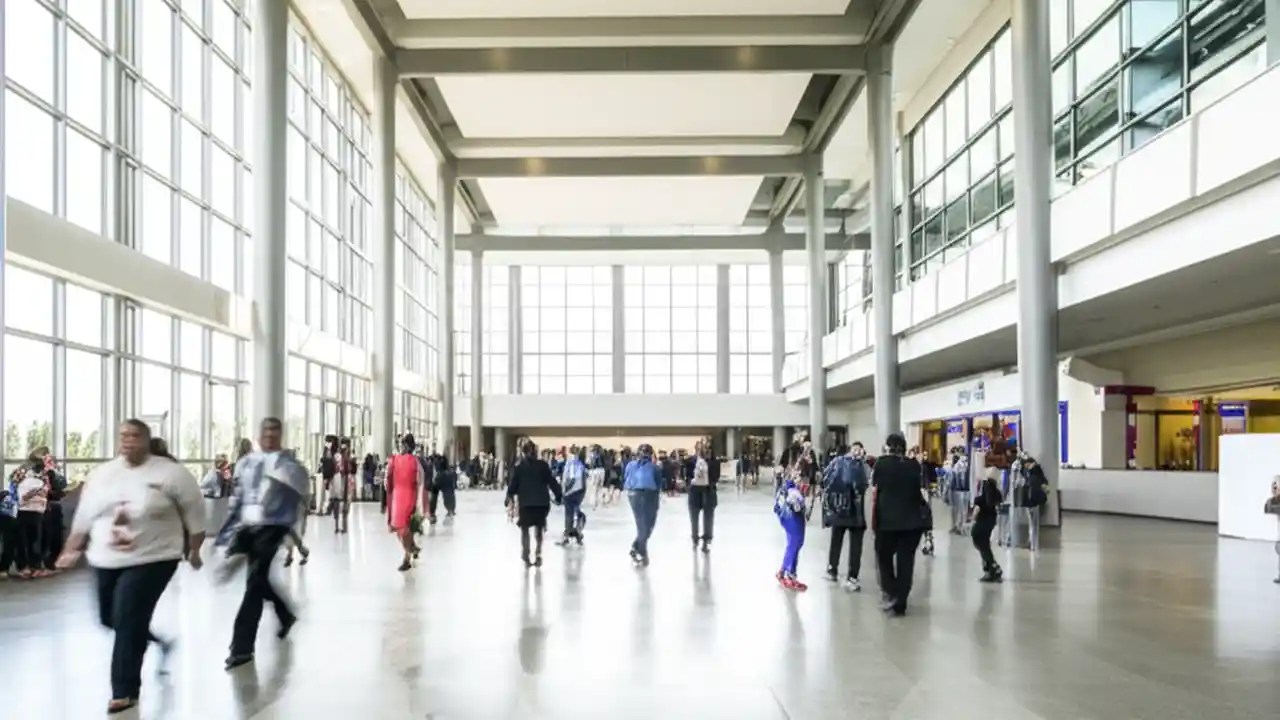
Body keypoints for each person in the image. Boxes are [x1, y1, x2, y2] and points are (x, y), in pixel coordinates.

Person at [57, 420, 205, 715]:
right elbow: (86, 514)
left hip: (155, 556)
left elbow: (194, 510)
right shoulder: (104, 474)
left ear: (147, 441)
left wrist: (195, 548)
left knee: (127, 617)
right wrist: (71, 548)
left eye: (135, 436)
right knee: (109, 618)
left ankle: (124, 691)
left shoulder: (170, 473)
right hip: (106, 557)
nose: (128, 440)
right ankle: (151, 640)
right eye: (123, 435)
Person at [217, 418, 308, 671]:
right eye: (265, 431)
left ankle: (241, 648)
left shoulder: (289, 466)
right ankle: (285, 613)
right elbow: (238, 500)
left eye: (274, 432)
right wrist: (227, 534)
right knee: (259, 581)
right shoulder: (246, 464)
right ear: (259, 435)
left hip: (274, 527)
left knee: (255, 582)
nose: (269, 436)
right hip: (249, 526)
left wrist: (293, 529)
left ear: (280, 435)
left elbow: (299, 499)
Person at [871, 432, 930, 616]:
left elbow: (875, 490)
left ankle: (892, 592)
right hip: (913, 522)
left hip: (887, 523)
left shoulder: (881, 464)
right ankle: (901, 601)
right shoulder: (914, 466)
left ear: (888, 447)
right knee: (906, 561)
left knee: (883, 557)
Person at [505, 441, 563, 567]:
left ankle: (526, 554)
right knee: (539, 528)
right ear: (535, 452)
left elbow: (513, 486)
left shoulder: (519, 467)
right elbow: (552, 482)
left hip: (526, 504)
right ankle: (538, 553)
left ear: (523, 452)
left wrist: (509, 496)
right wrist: (559, 495)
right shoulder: (543, 465)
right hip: (542, 504)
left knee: (525, 529)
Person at [822, 442, 869, 591]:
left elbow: (825, 479)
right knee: (855, 545)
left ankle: (832, 569)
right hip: (855, 511)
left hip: (839, 509)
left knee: (837, 540)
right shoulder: (862, 466)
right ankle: (852, 576)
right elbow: (864, 485)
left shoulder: (838, 462)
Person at [386, 434, 426, 572]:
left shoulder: (414, 461)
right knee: (399, 528)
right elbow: (388, 478)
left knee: (405, 527)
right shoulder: (395, 460)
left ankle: (407, 556)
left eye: (403, 444)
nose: (401, 447)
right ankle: (411, 548)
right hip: (398, 497)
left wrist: (421, 501)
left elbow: (421, 480)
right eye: (400, 444)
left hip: (408, 496)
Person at [13, 450, 52, 578]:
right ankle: (24, 566)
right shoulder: (21, 477)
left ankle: (34, 566)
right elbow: (19, 495)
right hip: (24, 511)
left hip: (37, 511)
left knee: (34, 541)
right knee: (24, 541)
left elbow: (46, 493)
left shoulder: (42, 479)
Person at [623, 444, 663, 567]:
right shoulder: (653, 468)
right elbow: (659, 484)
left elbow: (626, 478)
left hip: (637, 495)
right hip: (645, 495)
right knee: (646, 525)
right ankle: (640, 551)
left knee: (644, 524)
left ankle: (638, 548)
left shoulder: (633, 465)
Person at [774, 468, 808, 591]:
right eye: (798, 477)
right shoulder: (793, 492)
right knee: (794, 545)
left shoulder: (787, 490)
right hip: (794, 521)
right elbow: (797, 507)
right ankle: (790, 574)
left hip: (789, 520)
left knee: (793, 545)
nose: (801, 480)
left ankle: (783, 571)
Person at [970, 468, 1004, 583]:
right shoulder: (995, 489)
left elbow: (984, 502)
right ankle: (991, 567)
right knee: (984, 544)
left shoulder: (986, 486)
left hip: (984, 518)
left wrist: (977, 506)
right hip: (990, 519)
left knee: (981, 542)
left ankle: (991, 568)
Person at [686, 440, 719, 553]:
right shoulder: (691, 461)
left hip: (708, 491)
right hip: (695, 491)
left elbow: (716, 477)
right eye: (701, 448)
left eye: (706, 448)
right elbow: (687, 475)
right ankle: (695, 538)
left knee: (708, 518)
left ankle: (706, 540)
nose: (704, 450)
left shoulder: (714, 462)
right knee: (694, 517)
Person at [558, 447, 588, 546]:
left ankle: (567, 535)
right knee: (576, 511)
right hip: (579, 492)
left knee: (569, 514)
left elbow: (568, 479)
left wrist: (564, 492)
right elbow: (583, 480)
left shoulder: (570, 464)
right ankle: (578, 533)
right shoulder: (581, 465)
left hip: (570, 492)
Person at [945, 447, 971, 534]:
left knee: (957, 509)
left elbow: (953, 479)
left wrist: (947, 492)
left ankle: (958, 526)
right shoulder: (968, 464)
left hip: (957, 490)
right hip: (966, 490)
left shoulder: (957, 465)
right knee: (964, 510)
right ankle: (961, 526)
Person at [428, 454, 458, 524]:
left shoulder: (434, 462)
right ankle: (450, 509)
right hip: (445, 477)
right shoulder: (443, 462)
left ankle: (432, 512)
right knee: (448, 494)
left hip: (439, 477)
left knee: (434, 495)